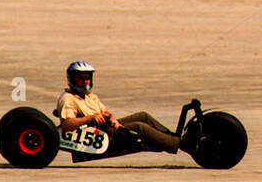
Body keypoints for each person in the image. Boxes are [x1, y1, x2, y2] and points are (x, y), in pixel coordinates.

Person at [54, 61, 196, 154]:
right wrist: (90, 118)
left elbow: (104, 111)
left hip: (107, 126)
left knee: (143, 116)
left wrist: (112, 118)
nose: (85, 82)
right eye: (81, 78)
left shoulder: (89, 96)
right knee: (139, 127)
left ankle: (173, 138)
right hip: (99, 133)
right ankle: (181, 144)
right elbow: (66, 125)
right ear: (72, 79)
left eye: (87, 78)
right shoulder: (68, 98)